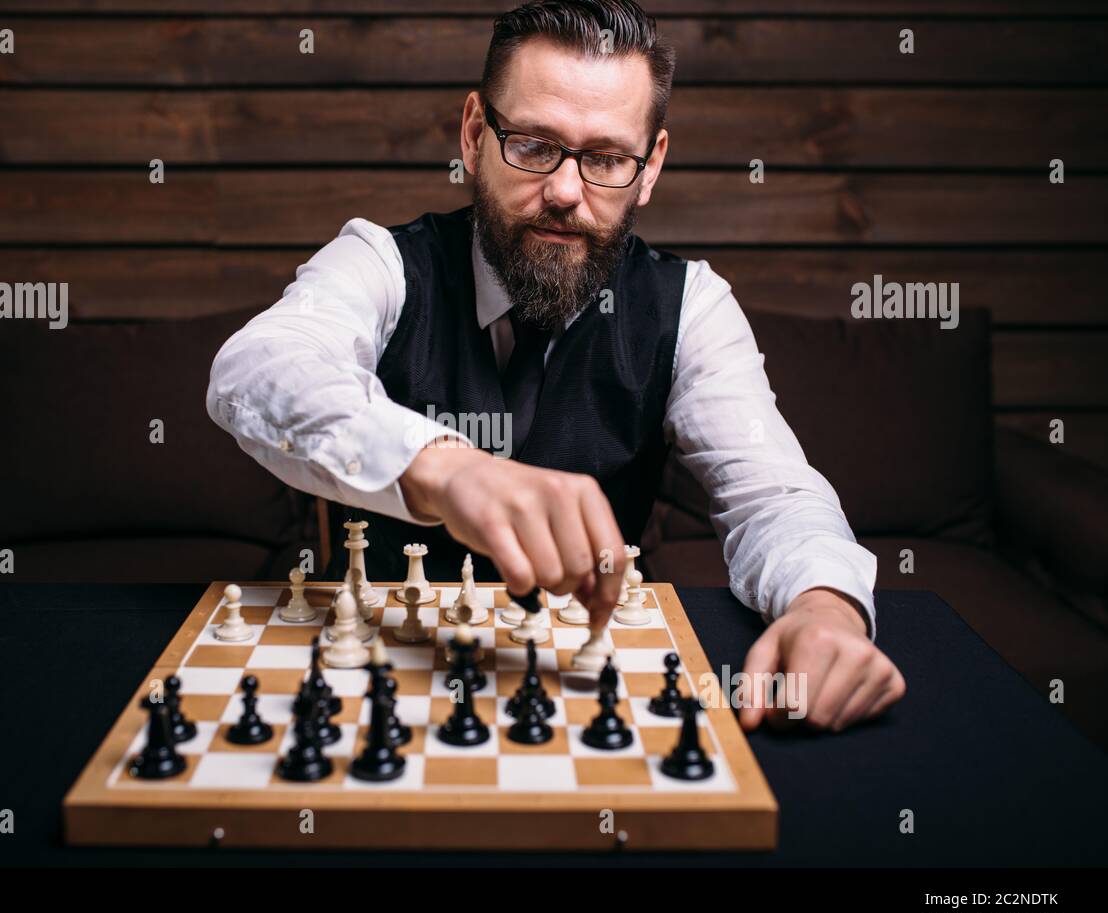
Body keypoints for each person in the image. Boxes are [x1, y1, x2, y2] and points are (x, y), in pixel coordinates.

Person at [207, 0, 905, 732]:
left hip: (578, 684)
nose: (567, 192)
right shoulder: (384, 262)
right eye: (535, 145)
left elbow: (773, 496)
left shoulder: (690, 305)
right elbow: (255, 369)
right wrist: (450, 468)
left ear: (650, 167)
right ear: (474, 134)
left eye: (605, 158)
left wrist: (826, 603)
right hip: (380, 677)